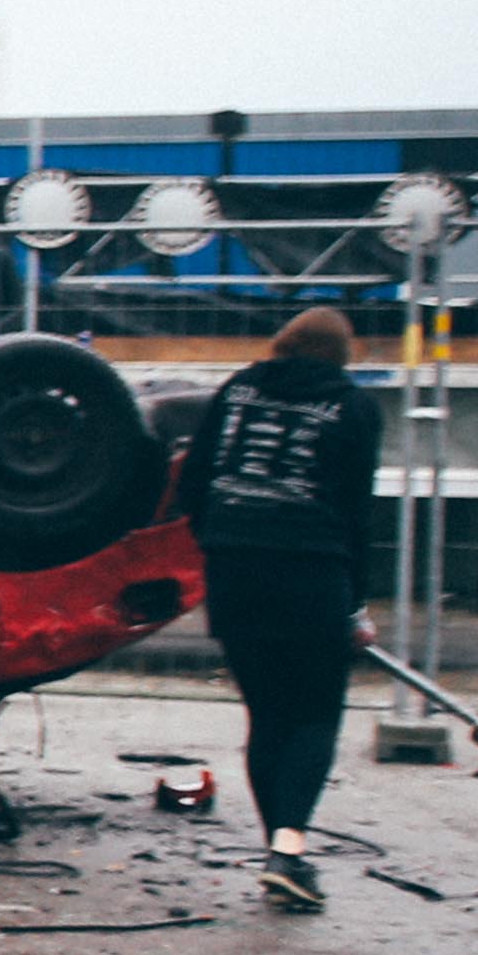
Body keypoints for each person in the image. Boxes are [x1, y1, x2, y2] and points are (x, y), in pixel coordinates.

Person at [178, 306, 384, 913]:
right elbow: (356, 514)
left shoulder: (239, 388)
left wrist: (218, 539)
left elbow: (194, 479)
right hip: (311, 571)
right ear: (343, 355)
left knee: (266, 717)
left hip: (234, 567)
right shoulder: (354, 406)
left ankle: (281, 851)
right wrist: (357, 607)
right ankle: (288, 853)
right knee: (316, 717)